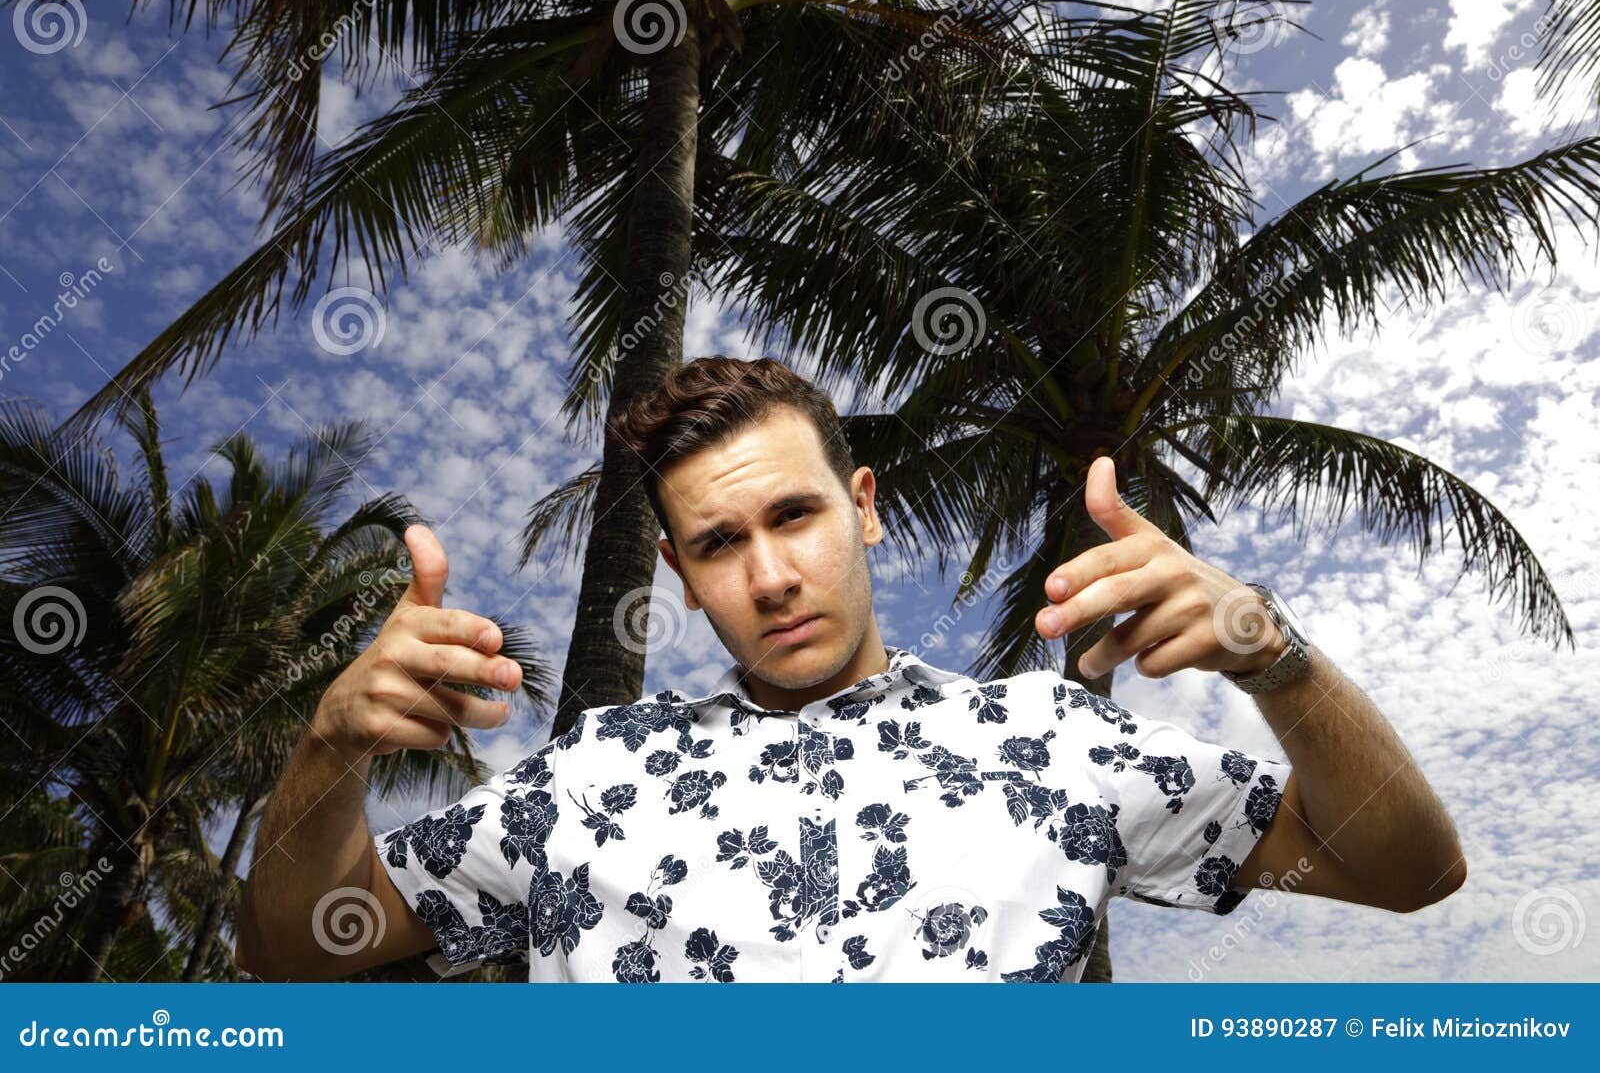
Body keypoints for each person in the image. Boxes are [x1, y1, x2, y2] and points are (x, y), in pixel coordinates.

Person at [234, 356, 1466, 982]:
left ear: (862, 507)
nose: (768, 574)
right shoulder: (587, 774)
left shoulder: (1055, 740)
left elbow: (1410, 867)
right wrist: (329, 747)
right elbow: (298, 948)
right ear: (676, 569)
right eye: (720, 543)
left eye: (795, 517)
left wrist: (1275, 655)